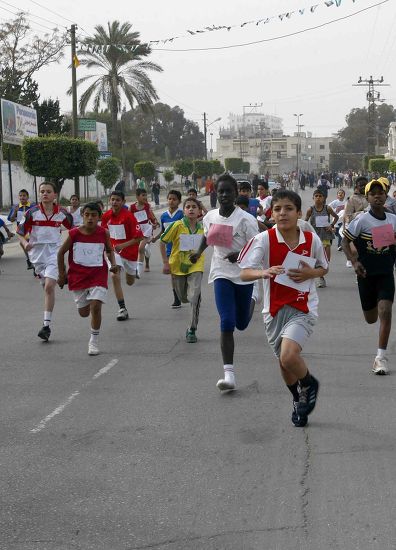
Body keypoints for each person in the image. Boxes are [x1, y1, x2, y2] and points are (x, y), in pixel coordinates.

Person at [238, 189, 328, 427]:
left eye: (288, 208)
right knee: (284, 363)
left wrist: (311, 273)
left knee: (289, 356)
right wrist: (263, 272)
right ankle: (298, 399)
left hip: (303, 307)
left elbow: (323, 267)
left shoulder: (311, 240)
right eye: (277, 209)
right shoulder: (264, 239)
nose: (282, 213)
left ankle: (309, 384)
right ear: (271, 213)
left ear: (299, 213)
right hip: (273, 310)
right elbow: (245, 272)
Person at [190, 174, 258, 391]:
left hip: (244, 275)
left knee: (242, 323)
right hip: (221, 274)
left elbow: (257, 247)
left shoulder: (246, 219)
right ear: (215, 193)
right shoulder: (209, 216)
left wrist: (238, 254)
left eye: (229, 191)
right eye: (221, 191)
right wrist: (198, 252)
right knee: (226, 322)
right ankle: (229, 375)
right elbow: (207, 236)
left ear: (236, 194)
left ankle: (253, 298)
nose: (225, 195)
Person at [342, 179, 396, 375]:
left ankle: (380, 358)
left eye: (380, 193)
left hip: (386, 274)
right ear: (367, 198)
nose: (377, 196)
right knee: (371, 318)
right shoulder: (362, 220)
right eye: (373, 194)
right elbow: (344, 241)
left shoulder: (393, 220)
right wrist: (355, 262)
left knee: (386, 311)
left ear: (385, 195)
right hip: (366, 275)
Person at [57, 202, 118, 355]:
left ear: (99, 217)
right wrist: (62, 274)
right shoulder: (74, 234)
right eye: (87, 215)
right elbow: (60, 253)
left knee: (96, 307)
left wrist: (114, 264)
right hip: (78, 277)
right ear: (82, 216)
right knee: (84, 313)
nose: (90, 218)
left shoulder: (103, 233)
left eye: (94, 215)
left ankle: (94, 341)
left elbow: (110, 250)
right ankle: (87, 307)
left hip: (98, 275)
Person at [17, 181, 73, 341]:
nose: (45, 194)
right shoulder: (32, 212)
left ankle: (46, 326)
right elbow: (19, 232)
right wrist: (25, 243)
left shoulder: (61, 213)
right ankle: (53, 278)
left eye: (48, 191)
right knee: (46, 286)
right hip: (36, 256)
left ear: (55, 195)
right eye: (42, 191)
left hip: (54, 253)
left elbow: (73, 229)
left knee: (49, 286)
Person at [160, 197, 205, 343]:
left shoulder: (203, 228)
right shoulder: (177, 225)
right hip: (178, 267)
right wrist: (166, 263)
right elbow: (162, 242)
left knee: (194, 297)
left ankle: (192, 329)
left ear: (199, 211)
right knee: (184, 297)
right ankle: (193, 297)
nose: (191, 209)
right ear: (184, 211)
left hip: (196, 266)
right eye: (188, 207)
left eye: (194, 207)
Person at [101, 190, 144, 321]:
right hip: (114, 252)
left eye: (118, 200)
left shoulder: (129, 217)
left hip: (129, 253)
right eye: (112, 199)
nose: (114, 202)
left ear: (123, 202)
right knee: (114, 275)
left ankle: (133, 271)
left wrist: (123, 246)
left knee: (130, 281)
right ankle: (122, 308)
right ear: (109, 200)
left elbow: (139, 238)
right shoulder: (106, 216)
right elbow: (104, 235)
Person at [155, 189, 184, 308]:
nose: (171, 201)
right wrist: (155, 238)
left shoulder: (182, 214)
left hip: (182, 249)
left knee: (183, 274)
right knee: (173, 275)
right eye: (170, 198)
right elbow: (163, 231)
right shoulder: (164, 216)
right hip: (169, 249)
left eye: (174, 199)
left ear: (179, 201)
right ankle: (176, 298)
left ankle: (189, 293)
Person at [305, 189, 338, 288]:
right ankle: (320, 278)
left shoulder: (327, 208)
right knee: (315, 258)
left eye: (320, 196)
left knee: (326, 259)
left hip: (326, 236)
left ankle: (321, 276)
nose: (318, 198)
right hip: (315, 237)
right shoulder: (310, 209)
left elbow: (336, 217)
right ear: (313, 198)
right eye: (316, 196)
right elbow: (305, 222)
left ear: (323, 198)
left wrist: (331, 225)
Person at [130, 188, 159, 276]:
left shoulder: (147, 206)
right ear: (137, 197)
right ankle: (137, 268)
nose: (145, 197)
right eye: (143, 195)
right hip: (137, 230)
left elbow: (151, 216)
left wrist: (154, 223)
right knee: (140, 249)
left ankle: (143, 266)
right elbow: (129, 219)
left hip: (146, 229)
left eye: (146, 195)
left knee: (142, 248)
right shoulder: (131, 207)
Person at [8, 189, 35, 270]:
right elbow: (11, 219)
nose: (22, 197)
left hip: (32, 229)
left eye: (24, 195)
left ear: (27, 197)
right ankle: (29, 260)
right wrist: (15, 212)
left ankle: (32, 261)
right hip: (21, 230)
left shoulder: (32, 206)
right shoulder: (15, 207)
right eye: (20, 196)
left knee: (32, 246)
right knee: (23, 244)